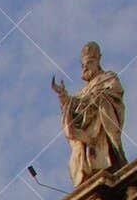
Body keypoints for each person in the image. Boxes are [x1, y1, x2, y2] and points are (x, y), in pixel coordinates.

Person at [51, 42, 125, 186]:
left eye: (89, 63)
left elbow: (115, 92)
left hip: (100, 125)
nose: (85, 67)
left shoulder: (108, 77)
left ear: (98, 61)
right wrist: (63, 96)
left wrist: (96, 100)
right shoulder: (83, 90)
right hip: (85, 136)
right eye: (83, 65)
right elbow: (74, 105)